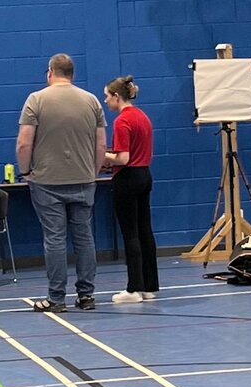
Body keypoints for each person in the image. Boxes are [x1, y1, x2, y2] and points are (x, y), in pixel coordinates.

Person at [17, 53, 106, 312]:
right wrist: (93, 171)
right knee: (84, 237)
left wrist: (25, 171)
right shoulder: (91, 101)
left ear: (50, 72)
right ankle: (87, 295)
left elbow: (24, 142)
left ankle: (56, 299)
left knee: (55, 239)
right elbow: (101, 144)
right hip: (84, 179)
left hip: (47, 181)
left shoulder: (36, 100)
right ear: (72, 74)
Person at [103, 75, 160, 303]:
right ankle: (149, 286)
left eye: (107, 96)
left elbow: (123, 158)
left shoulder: (121, 121)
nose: (105, 101)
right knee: (145, 230)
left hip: (127, 178)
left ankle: (133, 288)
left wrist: (101, 156)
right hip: (144, 175)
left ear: (117, 97)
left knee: (131, 233)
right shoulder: (143, 117)